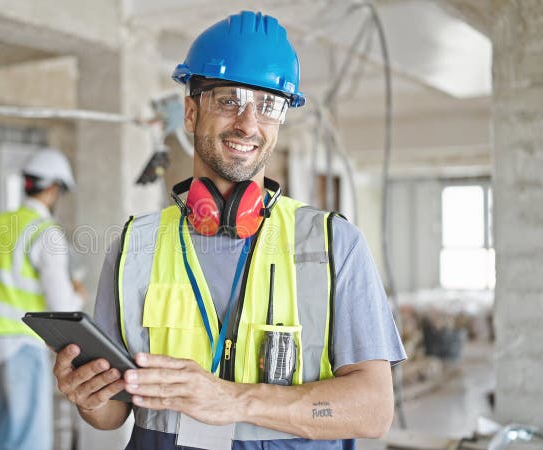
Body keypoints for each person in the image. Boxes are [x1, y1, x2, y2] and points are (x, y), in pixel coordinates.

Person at [52, 10, 406, 450]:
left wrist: (235, 400)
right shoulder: (133, 247)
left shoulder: (333, 245)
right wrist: (88, 397)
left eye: (268, 105)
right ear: (190, 113)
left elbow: (372, 411)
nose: (248, 123)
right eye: (228, 100)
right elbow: (112, 414)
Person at [0, 148, 85, 450]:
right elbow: (63, 307)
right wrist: (77, 295)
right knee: (28, 438)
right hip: (20, 344)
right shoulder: (45, 232)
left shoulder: (0, 223)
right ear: (53, 188)